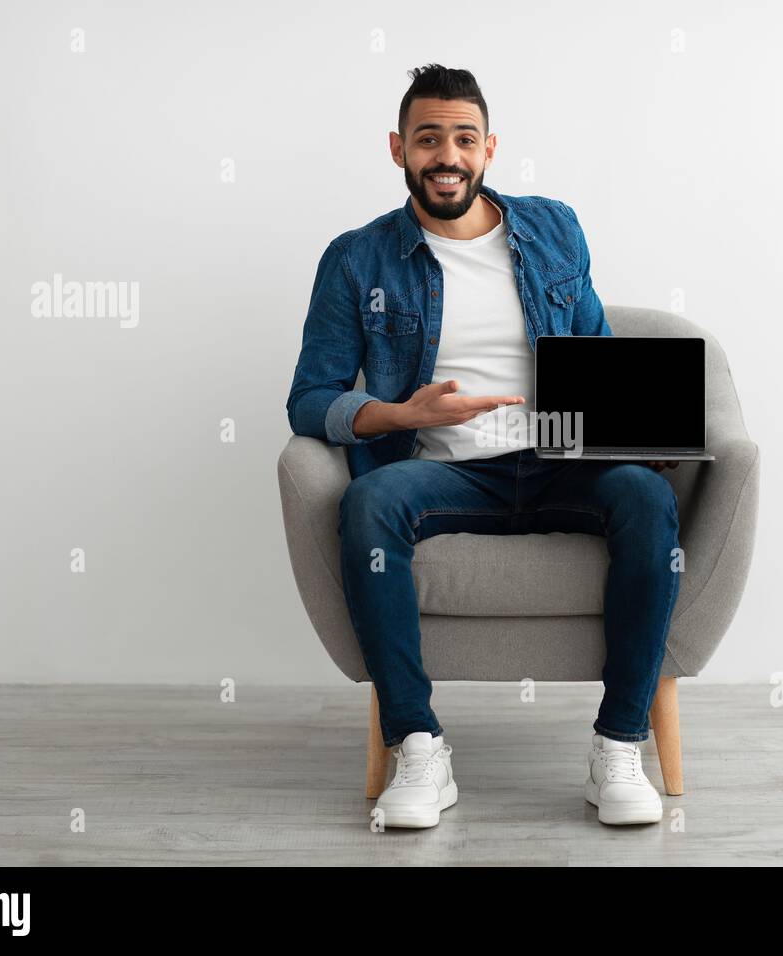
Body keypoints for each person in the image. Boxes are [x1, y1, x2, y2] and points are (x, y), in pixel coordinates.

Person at [287, 64, 682, 828]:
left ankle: (620, 746)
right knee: (369, 501)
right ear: (399, 149)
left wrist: (634, 431)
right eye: (428, 138)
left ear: (490, 149)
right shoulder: (355, 259)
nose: (447, 155)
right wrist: (400, 413)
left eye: (464, 138)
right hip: (442, 472)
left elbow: (593, 349)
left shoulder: (554, 226)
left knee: (646, 494)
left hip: (561, 462)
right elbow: (309, 399)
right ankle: (418, 748)